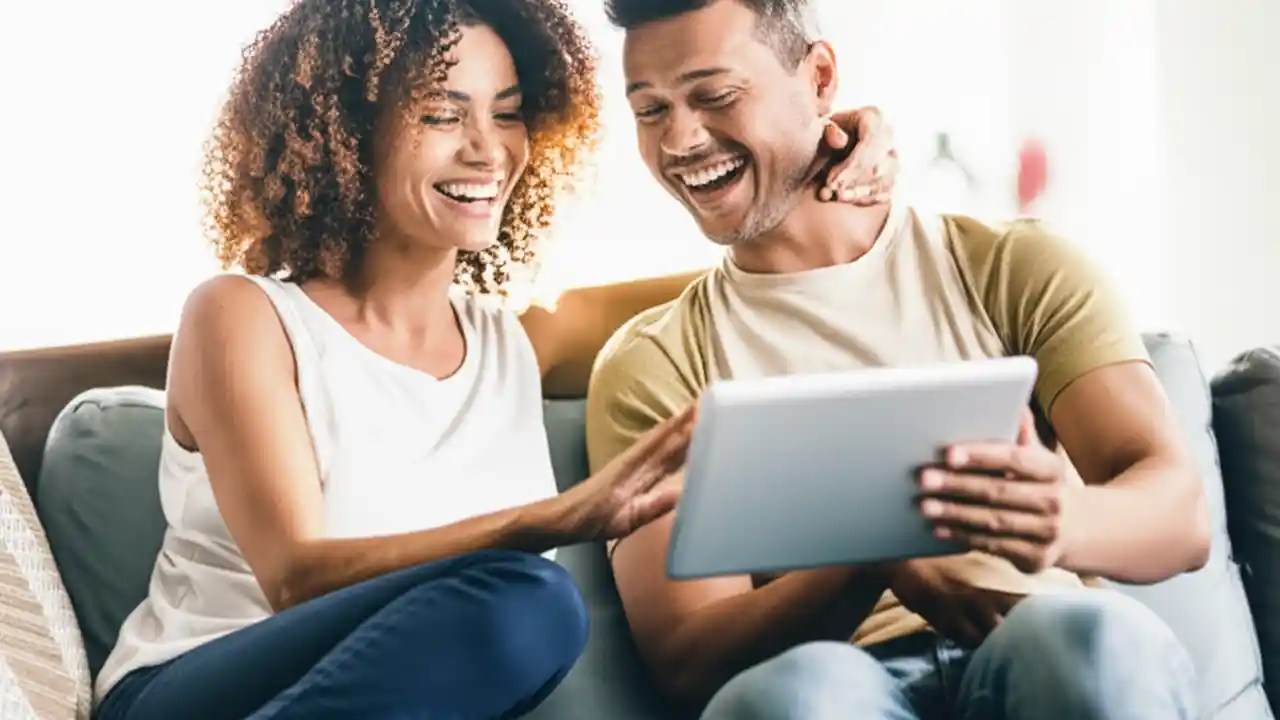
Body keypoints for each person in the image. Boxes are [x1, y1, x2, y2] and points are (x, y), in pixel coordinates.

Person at [91, 0, 898, 717]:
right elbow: (296, 578)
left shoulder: (514, 342)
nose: (489, 150)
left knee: (518, 611)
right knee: (529, 604)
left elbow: (751, 262)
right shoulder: (245, 316)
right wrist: (560, 517)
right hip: (197, 687)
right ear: (345, 126)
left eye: (508, 114)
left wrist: (819, 144)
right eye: (445, 115)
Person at [586, 1, 1211, 719]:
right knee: (791, 699)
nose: (681, 139)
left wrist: (1060, 518)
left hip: (1036, 647)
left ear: (820, 78)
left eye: (716, 96)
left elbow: (1179, 514)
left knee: (1091, 643)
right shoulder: (654, 362)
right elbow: (689, 658)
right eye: (649, 110)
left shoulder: (1011, 268)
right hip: (836, 676)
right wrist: (870, 554)